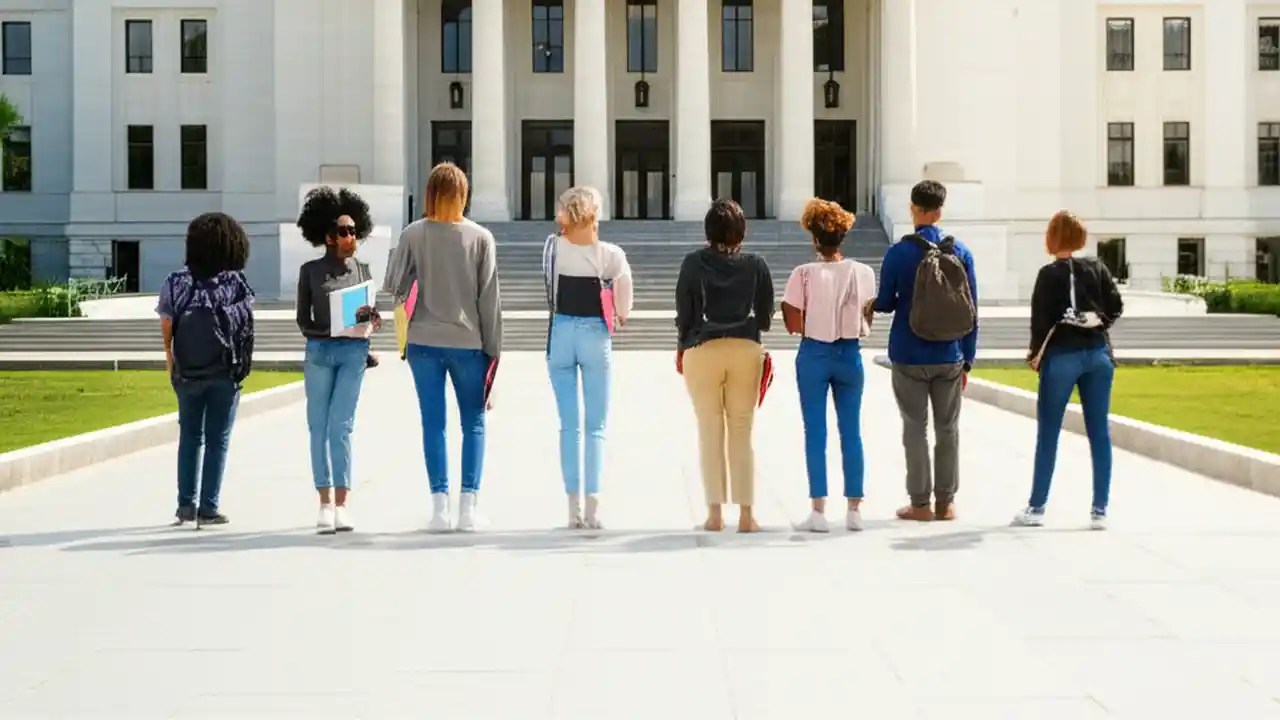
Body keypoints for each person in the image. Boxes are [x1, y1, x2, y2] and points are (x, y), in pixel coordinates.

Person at [383, 162, 502, 533]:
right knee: (474, 423)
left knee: (433, 424)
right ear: (463, 195)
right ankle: (468, 508)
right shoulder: (481, 238)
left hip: (423, 341)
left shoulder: (413, 234)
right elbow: (489, 302)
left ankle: (439, 508)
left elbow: (394, 284)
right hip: (469, 342)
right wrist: (494, 354)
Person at [869, 180, 979, 522]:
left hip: (909, 352)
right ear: (940, 211)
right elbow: (972, 310)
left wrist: (872, 303)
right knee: (949, 429)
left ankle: (919, 504)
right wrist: (968, 359)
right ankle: (946, 503)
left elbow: (886, 303)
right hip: (950, 354)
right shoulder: (961, 252)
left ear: (913, 208)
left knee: (914, 428)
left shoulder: (899, 253)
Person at [1014, 211, 1124, 530]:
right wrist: (1095, 318)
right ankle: (1099, 509)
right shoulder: (1097, 268)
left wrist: (1035, 354)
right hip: (1098, 355)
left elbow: (1040, 321)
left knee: (1049, 432)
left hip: (1062, 356)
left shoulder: (1048, 274)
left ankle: (1037, 507)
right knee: (1099, 432)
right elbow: (1115, 306)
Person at [675, 199, 774, 533]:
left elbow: (684, 314)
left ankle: (714, 513)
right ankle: (747, 514)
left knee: (709, 430)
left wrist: (683, 344)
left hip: (702, 349)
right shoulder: (756, 265)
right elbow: (765, 317)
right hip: (746, 348)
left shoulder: (693, 263)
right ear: (741, 231)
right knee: (742, 432)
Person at [782, 199, 878, 533]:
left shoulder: (803, 274)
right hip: (850, 353)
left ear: (814, 237)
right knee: (852, 432)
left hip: (814, 353)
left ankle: (818, 510)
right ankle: (854, 509)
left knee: (816, 432)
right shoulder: (863, 272)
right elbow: (868, 316)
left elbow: (792, 323)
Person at [542, 187, 634, 529]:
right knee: (595, 426)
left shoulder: (553, 249)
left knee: (569, 426)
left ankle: (572, 509)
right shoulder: (611, 254)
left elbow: (549, 287)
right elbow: (624, 307)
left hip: (561, 331)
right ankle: (593, 508)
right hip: (595, 332)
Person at [158, 212, 255, 528]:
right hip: (224, 374)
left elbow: (167, 329)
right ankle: (208, 508)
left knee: (189, 437)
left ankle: (185, 505)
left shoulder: (175, 283)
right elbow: (244, 328)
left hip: (186, 373)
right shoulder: (235, 283)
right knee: (218, 440)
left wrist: (173, 367)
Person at [296, 186, 382, 535]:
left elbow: (369, 312)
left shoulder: (362, 270)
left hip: (352, 353)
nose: (352, 236)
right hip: (319, 352)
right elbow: (302, 320)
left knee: (340, 426)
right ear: (329, 237)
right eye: (345, 231)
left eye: (354, 230)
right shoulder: (311, 271)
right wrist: (329, 327)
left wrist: (371, 320)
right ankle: (324, 502)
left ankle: (343, 503)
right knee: (318, 426)